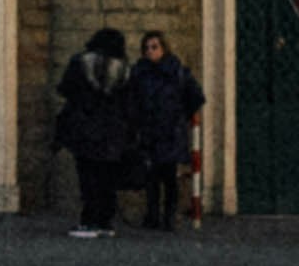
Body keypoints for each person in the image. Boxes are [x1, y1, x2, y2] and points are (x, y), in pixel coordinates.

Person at [121, 33, 210, 232]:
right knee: (151, 177)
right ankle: (152, 216)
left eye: (154, 47)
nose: (150, 52)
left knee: (169, 177)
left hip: (170, 131)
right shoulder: (139, 72)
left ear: (163, 48)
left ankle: (169, 217)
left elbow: (195, 96)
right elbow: (131, 100)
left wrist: (180, 116)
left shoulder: (176, 71)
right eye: (147, 48)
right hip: (149, 130)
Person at [54, 29, 134, 237]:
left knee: (88, 176)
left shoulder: (79, 63)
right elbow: (130, 103)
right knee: (107, 177)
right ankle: (105, 221)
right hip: (113, 131)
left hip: (85, 128)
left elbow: (64, 89)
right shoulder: (125, 69)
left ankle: (89, 221)